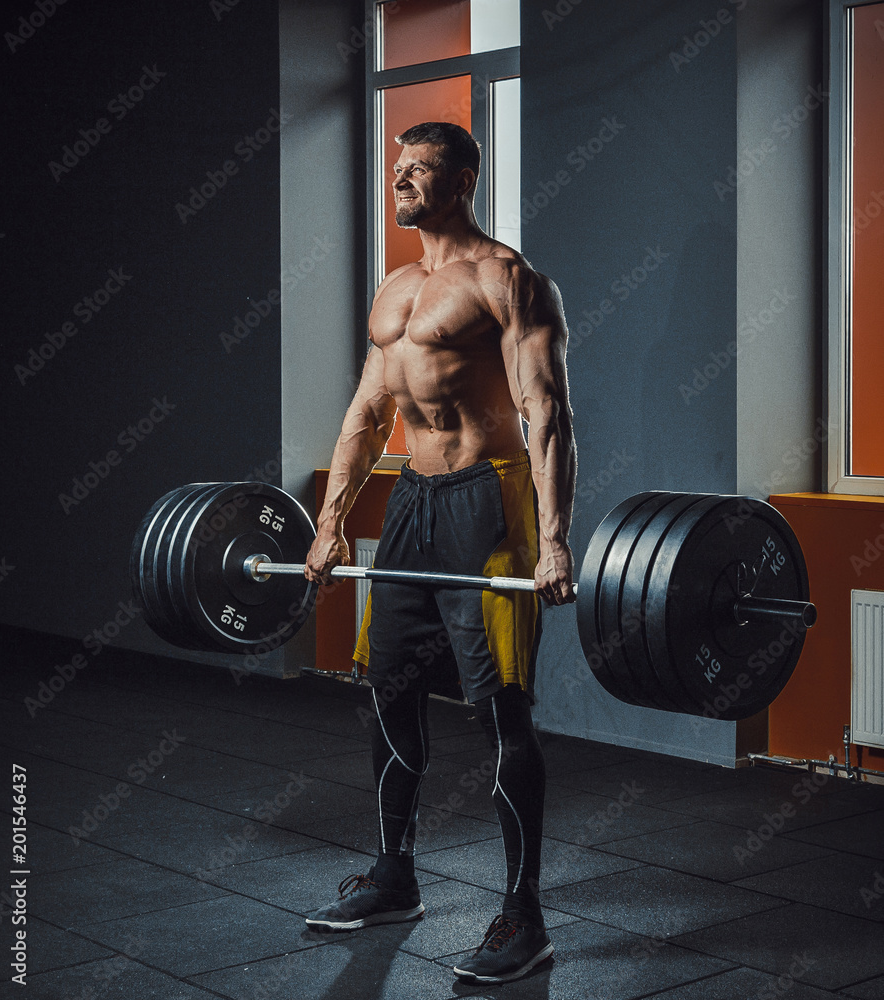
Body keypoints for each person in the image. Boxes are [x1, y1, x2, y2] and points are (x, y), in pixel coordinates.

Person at [303, 121, 576, 984]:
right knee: (386, 687)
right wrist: (329, 519)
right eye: (398, 169)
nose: (403, 181)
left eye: (421, 170)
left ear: (461, 181)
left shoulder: (508, 280)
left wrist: (557, 537)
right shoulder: (395, 291)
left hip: (489, 502)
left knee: (502, 706)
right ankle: (393, 875)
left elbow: (547, 414)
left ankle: (523, 915)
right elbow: (366, 413)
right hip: (413, 503)